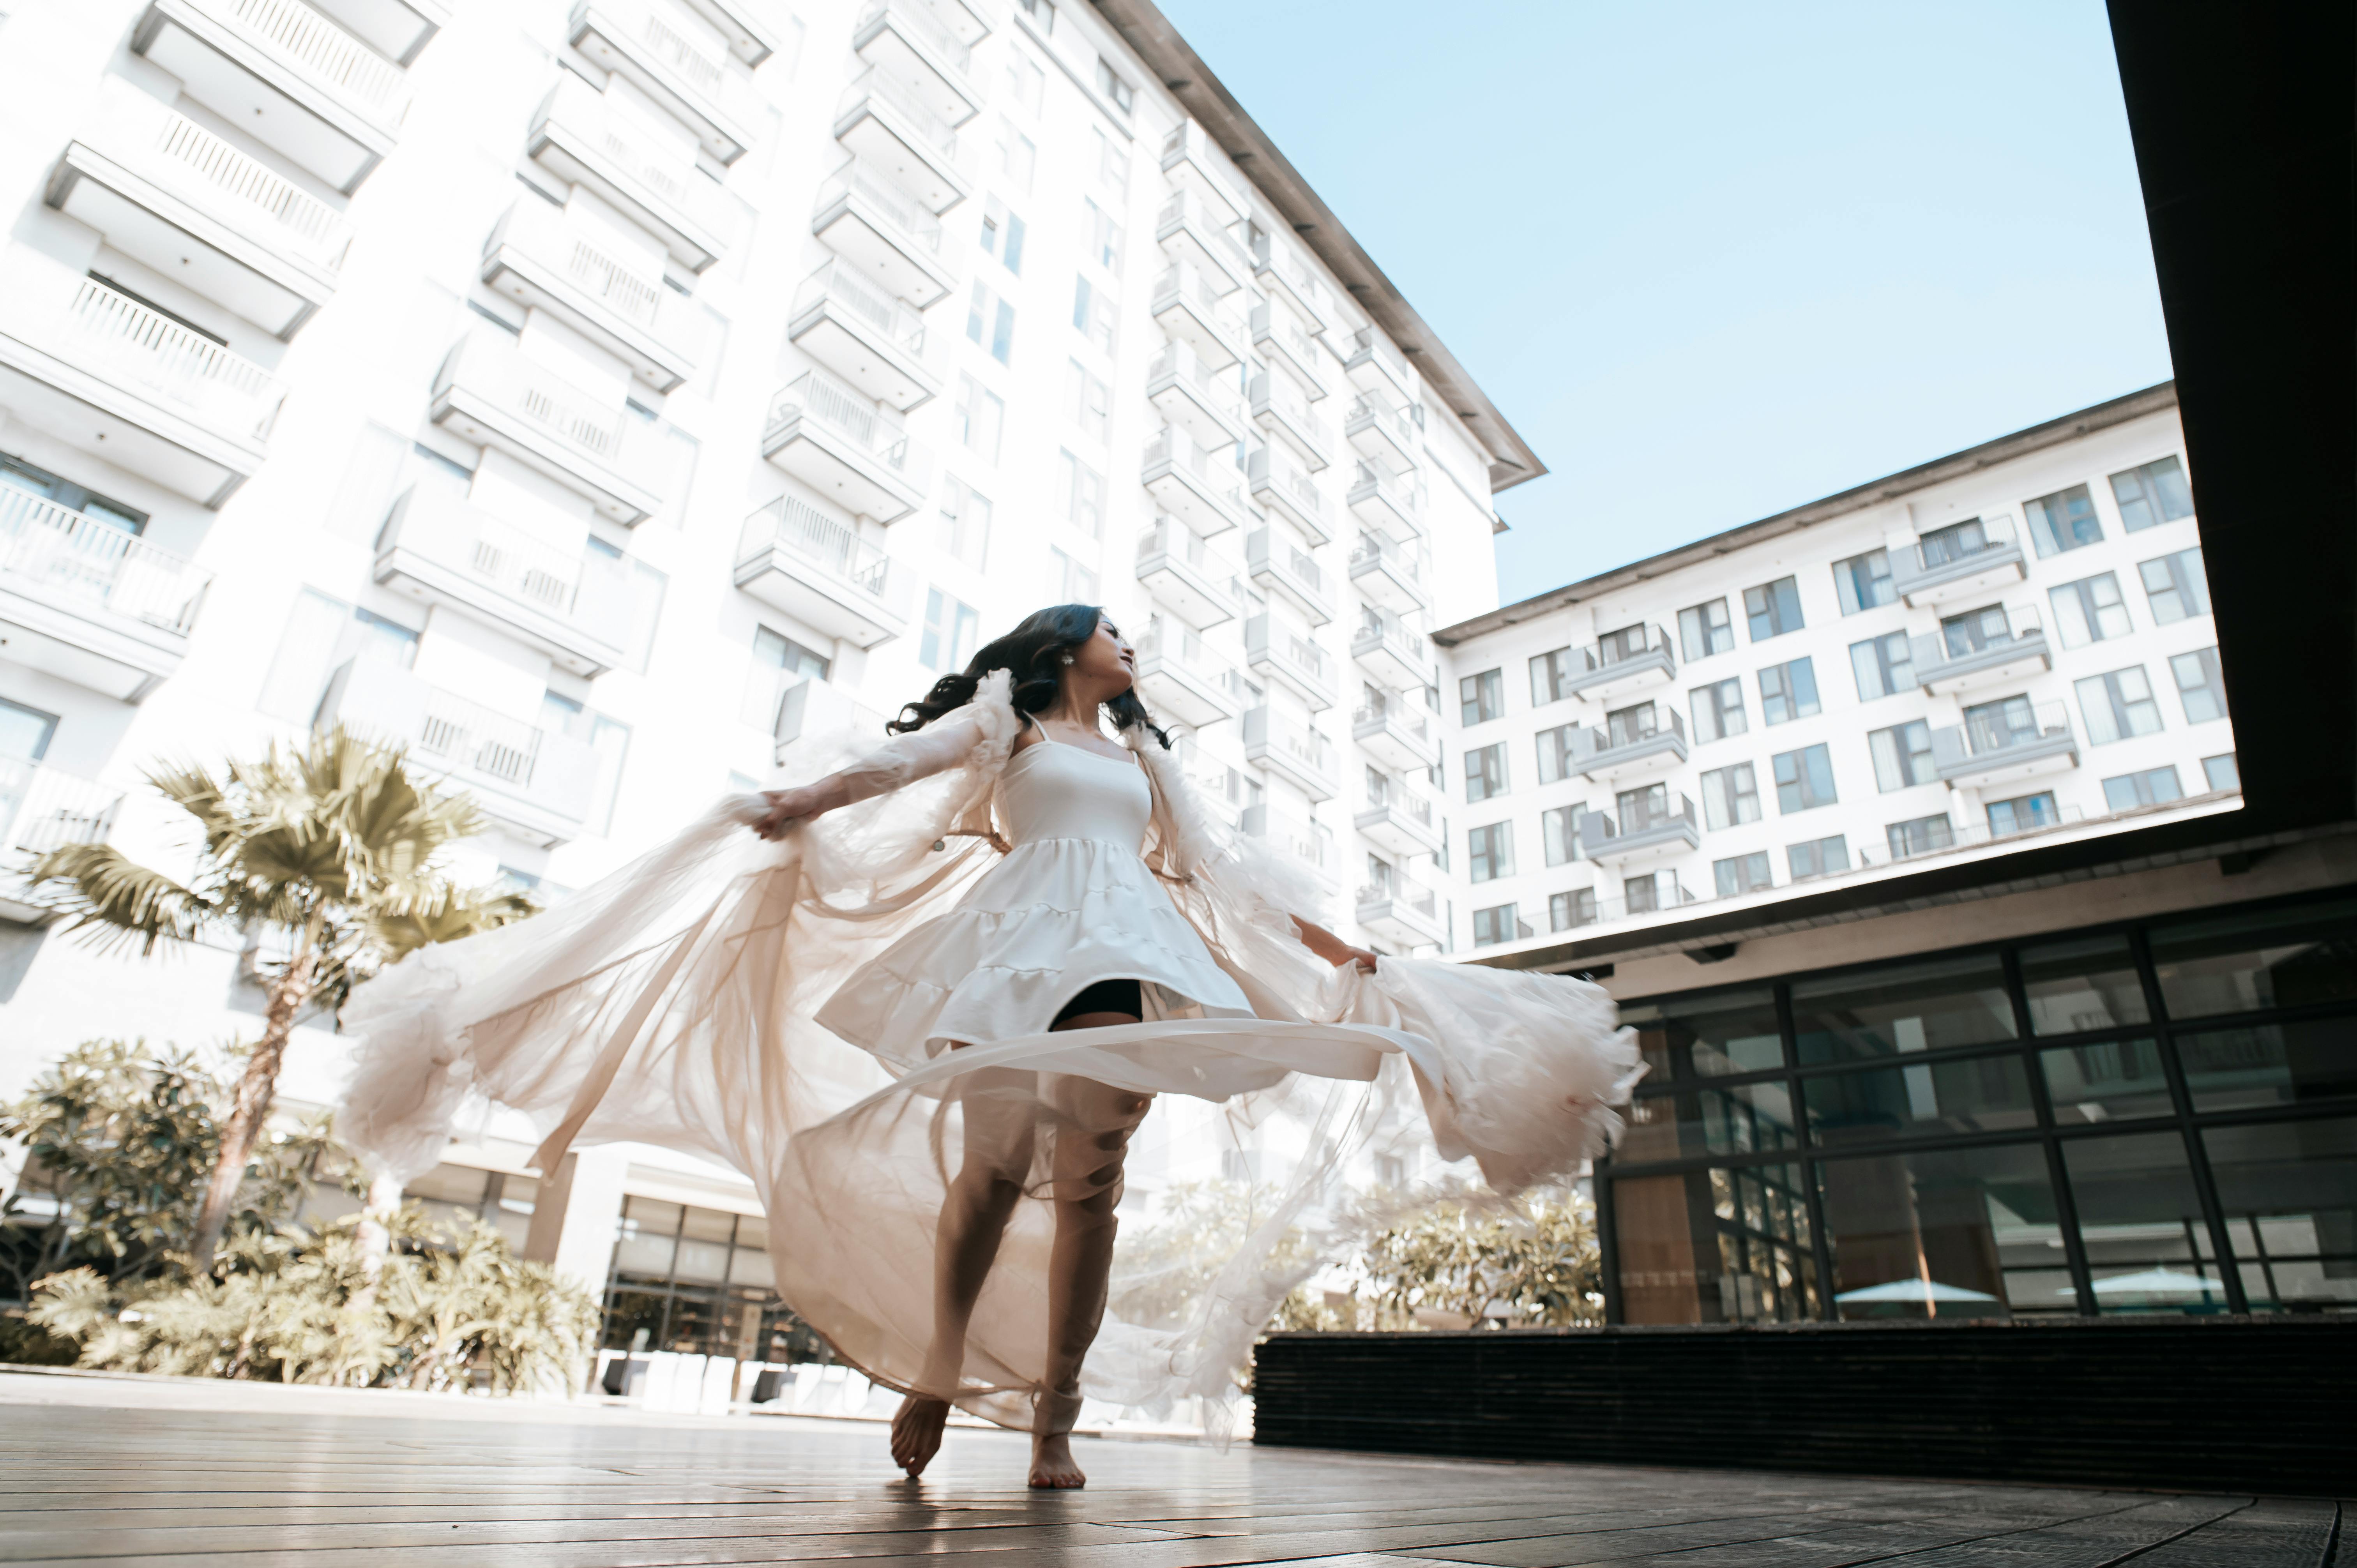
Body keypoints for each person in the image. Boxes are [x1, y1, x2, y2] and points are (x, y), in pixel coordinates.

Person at [338, 604, 1640, 1491]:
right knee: (994, 1171)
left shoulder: (1142, 757)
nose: (1134, 649)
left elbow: (1221, 873)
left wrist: (1336, 944)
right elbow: (893, 768)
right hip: (1021, 947)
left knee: (1095, 1180)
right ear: (1071, 647)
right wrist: (799, 800)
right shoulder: (1005, 724)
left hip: (1128, 951)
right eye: (1118, 632)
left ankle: (1054, 1420)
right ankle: (941, 1370)